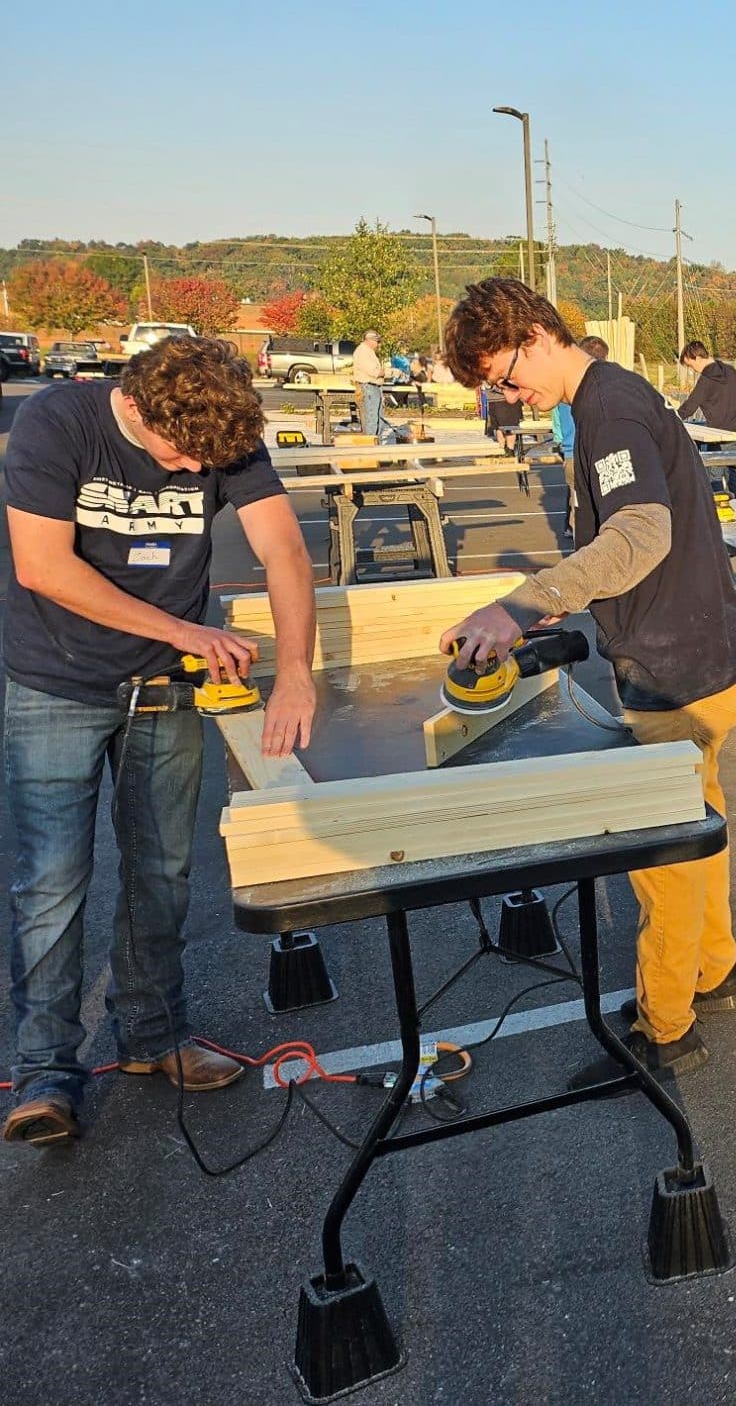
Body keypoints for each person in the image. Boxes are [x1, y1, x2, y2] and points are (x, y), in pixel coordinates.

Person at [3, 336, 318, 1145]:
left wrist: (297, 675)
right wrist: (182, 628)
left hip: (168, 687)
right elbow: (42, 565)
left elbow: (283, 546)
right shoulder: (58, 421)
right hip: (55, 679)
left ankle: (152, 1035)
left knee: (161, 870)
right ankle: (46, 1071)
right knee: (51, 881)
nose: (190, 474)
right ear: (136, 407)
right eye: (180, 457)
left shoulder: (216, 427)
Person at [438, 279, 736, 1080]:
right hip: (700, 646)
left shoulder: (608, 407)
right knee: (699, 818)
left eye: (507, 378)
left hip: (676, 661)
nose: (511, 396)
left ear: (537, 334)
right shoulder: (607, 400)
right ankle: (713, 970)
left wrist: (523, 605)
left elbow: (641, 536)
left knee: (663, 854)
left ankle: (666, 1026)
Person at [676, 340, 736, 496]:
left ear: (697, 358)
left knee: (714, 477)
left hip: (718, 436)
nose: (693, 370)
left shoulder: (707, 379)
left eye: (691, 366)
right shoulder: (728, 370)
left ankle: (716, 514)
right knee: (733, 474)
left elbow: (690, 405)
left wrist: (672, 418)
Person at [352, 329, 396, 442]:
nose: (378, 344)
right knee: (372, 418)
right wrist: (390, 372)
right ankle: (370, 444)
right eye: (377, 341)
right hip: (369, 387)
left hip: (375, 387)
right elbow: (374, 372)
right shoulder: (363, 352)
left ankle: (377, 442)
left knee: (379, 418)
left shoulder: (369, 351)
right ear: (370, 340)